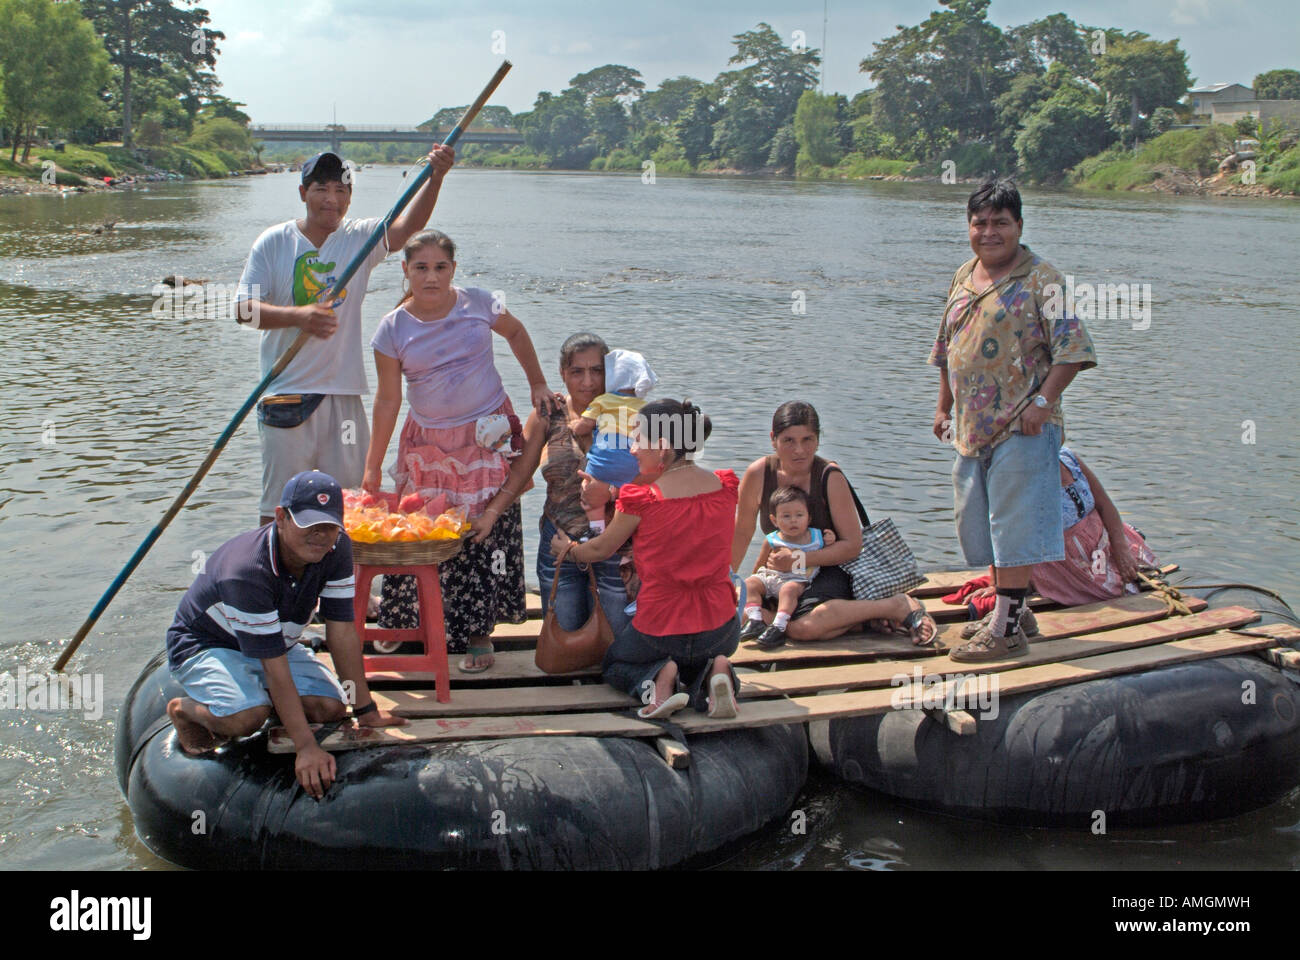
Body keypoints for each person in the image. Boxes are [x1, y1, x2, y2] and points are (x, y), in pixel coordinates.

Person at [361, 229, 559, 673]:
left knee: (481, 532)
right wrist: (373, 464)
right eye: (420, 268)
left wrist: (538, 383)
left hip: (486, 433)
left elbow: (517, 331)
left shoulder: (477, 302)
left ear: (453, 268)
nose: (430, 277)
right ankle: (407, 624)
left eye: (440, 267)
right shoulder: (392, 328)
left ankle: (477, 634)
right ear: (405, 270)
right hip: (429, 442)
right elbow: (388, 399)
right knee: (424, 534)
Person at [236, 147, 455, 526]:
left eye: (341, 190)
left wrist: (435, 178)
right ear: (303, 193)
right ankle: (273, 582)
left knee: (351, 503)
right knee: (281, 508)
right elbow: (243, 309)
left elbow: (406, 230)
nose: (331, 200)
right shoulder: (274, 242)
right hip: (286, 395)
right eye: (322, 189)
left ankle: (343, 585)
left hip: (344, 397)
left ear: (350, 198)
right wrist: (299, 317)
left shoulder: (359, 238)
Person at [930, 176, 1098, 663]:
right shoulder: (965, 274)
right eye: (979, 223)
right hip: (971, 427)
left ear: (1019, 226)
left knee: (1014, 525)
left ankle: (1003, 630)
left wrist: (1042, 404)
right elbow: (947, 347)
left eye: (1000, 223)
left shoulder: (1043, 279)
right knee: (982, 524)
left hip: (1024, 424)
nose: (989, 232)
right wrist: (943, 406)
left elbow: (1073, 350)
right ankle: (1016, 612)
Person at [164, 471, 406, 799]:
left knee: (331, 709)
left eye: (330, 526)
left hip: (278, 640)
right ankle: (185, 710)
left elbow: (342, 631)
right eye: (309, 525)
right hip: (209, 644)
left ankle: (264, 701)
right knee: (247, 717)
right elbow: (274, 667)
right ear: (281, 517)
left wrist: (365, 710)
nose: (321, 536)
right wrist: (306, 747)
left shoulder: (338, 550)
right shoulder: (247, 572)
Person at [550, 399, 741, 720]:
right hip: (721, 628)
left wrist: (567, 550)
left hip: (662, 629)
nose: (632, 449)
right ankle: (719, 672)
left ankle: (658, 678)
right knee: (702, 655)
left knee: (615, 664)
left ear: (663, 447)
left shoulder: (643, 500)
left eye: (638, 439)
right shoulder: (726, 486)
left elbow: (600, 550)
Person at [733, 401, 937, 645]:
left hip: (830, 568)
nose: (799, 450)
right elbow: (742, 533)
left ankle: (894, 606)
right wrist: (725, 579)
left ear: (818, 440)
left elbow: (852, 545)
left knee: (803, 629)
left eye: (807, 440)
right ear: (773, 439)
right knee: (739, 609)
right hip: (781, 571)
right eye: (789, 440)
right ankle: (855, 620)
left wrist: (799, 558)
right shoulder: (758, 473)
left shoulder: (830, 476)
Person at [960, 446, 1158, 637]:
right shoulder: (1015, 472)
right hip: (1066, 566)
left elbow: (1105, 505)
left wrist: (1121, 547)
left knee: (1136, 568)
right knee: (1118, 591)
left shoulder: (1068, 458)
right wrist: (999, 584)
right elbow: (999, 532)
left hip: (1100, 544)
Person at [512, 333, 634, 639]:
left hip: (617, 544)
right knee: (565, 641)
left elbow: (655, 479)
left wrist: (609, 493)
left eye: (597, 371)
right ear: (563, 374)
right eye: (577, 371)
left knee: (617, 643)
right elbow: (518, 475)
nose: (588, 382)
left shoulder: (630, 415)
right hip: (559, 542)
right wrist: (489, 514)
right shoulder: (548, 415)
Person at [572, 348, 658, 534]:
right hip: (635, 462)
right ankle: (627, 536)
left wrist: (573, 425)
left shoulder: (602, 400)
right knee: (632, 501)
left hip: (604, 463)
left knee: (590, 496)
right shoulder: (646, 407)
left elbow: (583, 427)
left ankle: (596, 532)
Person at [740, 486, 836, 649]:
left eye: (799, 515)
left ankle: (779, 625)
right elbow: (760, 564)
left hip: (796, 579)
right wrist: (755, 579)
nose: (793, 520)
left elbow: (831, 554)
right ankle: (755, 619)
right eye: (786, 516)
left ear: (809, 517)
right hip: (770, 576)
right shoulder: (772, 539)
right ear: (774, 520)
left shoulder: (816, 537)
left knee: (788, 591)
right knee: (749, 584)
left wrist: (831, 539)